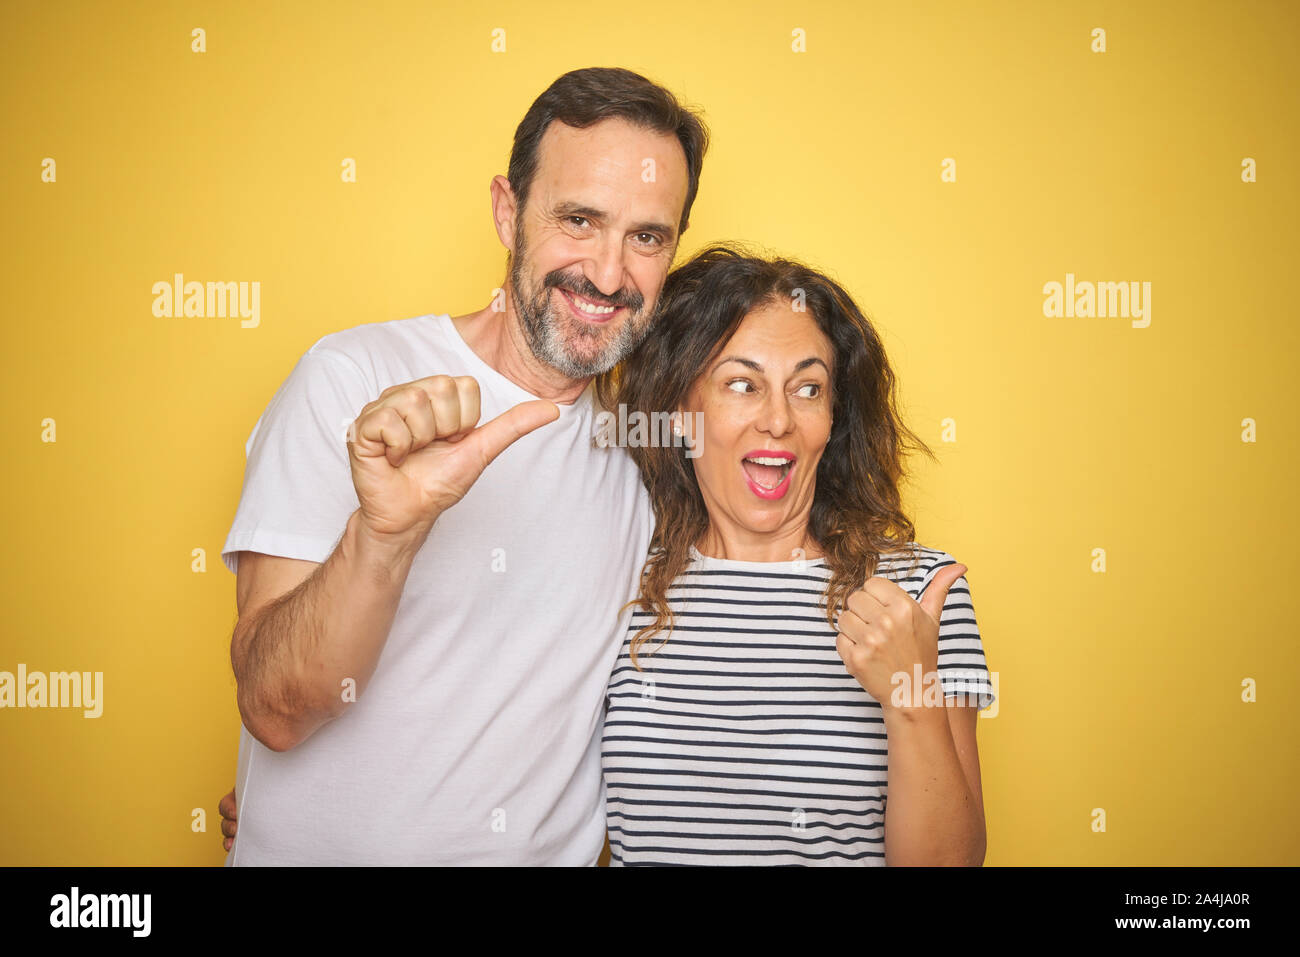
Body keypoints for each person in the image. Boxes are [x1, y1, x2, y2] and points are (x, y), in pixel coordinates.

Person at [217, 66, 709, 864]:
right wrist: (385, 534)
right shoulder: (352, 380)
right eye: (579, 220)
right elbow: (274, 708)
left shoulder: (652, 458)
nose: (611, 274)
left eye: (647, 237)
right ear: (507, 213)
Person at [597, 245, 995, 865]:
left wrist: (909, 700)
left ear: (833, 416)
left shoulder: (918, 589)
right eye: (741, 384)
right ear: (680, 411)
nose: (777, 420)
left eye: (807, 388)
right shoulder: (615, 582)